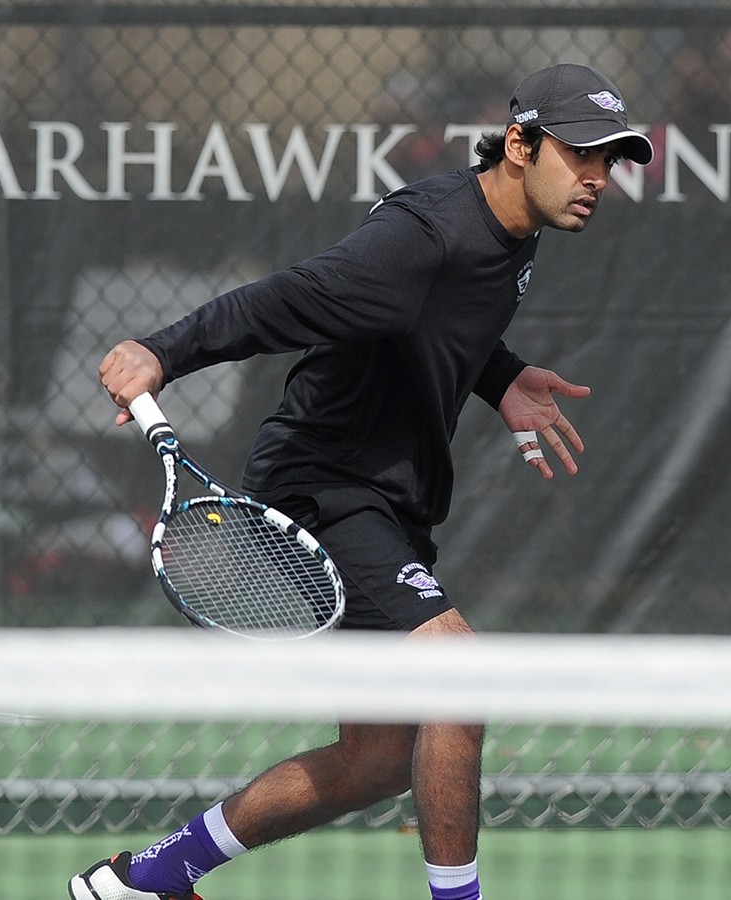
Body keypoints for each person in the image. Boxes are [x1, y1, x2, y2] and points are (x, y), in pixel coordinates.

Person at [69, 63, 653, 900]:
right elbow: (287, 298)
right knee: (458, 674)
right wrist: (163, 351)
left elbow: (435, 317)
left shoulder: (513, 229)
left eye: (610, 161)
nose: (599, 178)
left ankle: (147, 879)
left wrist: (500, 376)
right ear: (520, 145)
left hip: (387, 497)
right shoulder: (422, 234)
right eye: (582, 155)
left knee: (377, 759)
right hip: (326, 487)